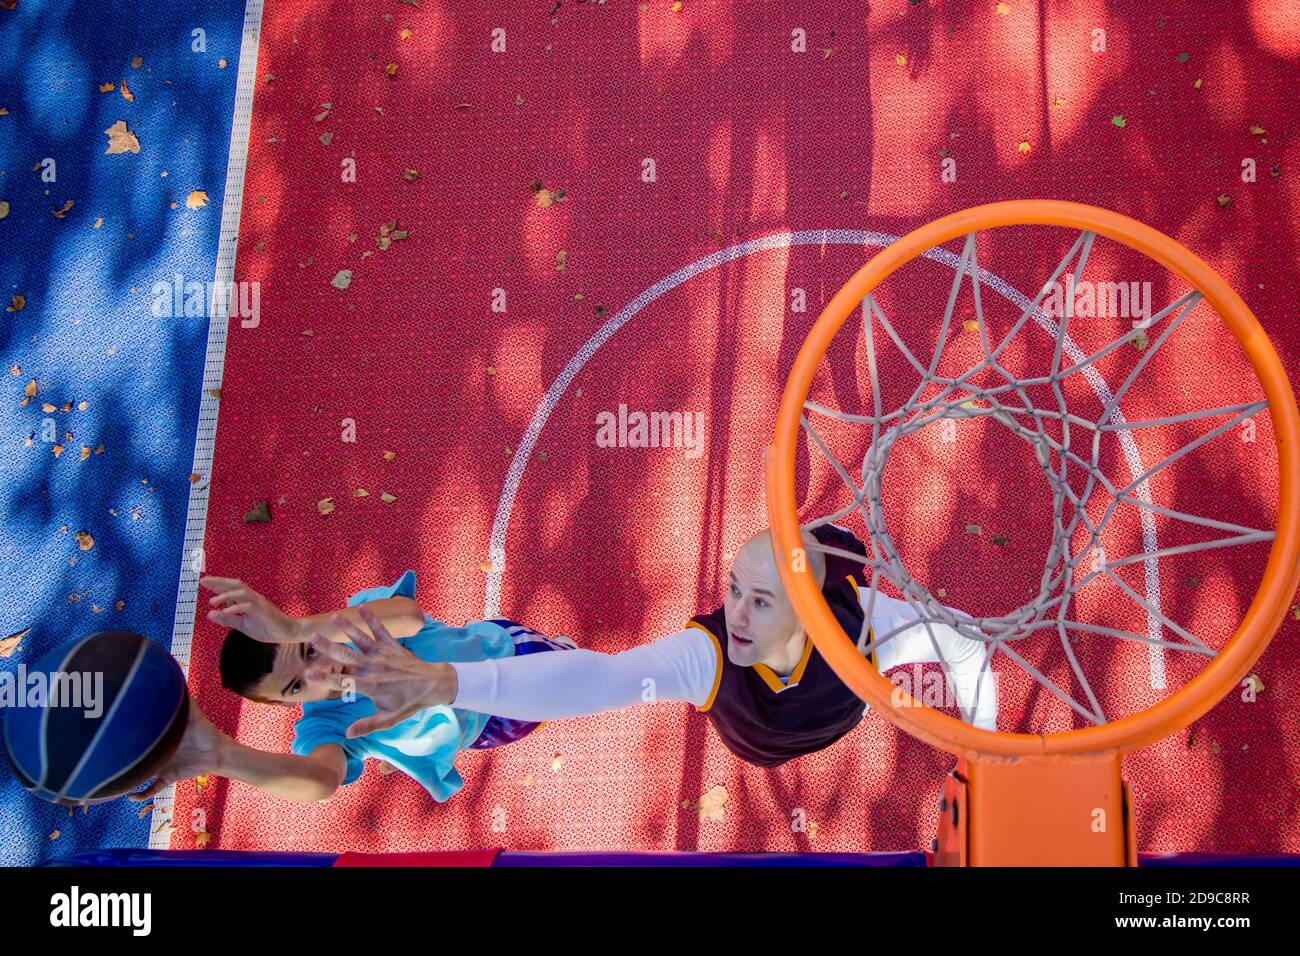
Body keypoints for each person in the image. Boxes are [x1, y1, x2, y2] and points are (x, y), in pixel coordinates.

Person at [305, 523, 998, 768]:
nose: (737, 612)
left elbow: (968, 651)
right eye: (734, 588)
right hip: (757, 744)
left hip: (841, 713)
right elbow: (600, 679)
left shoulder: (871, 621)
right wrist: (454, 685)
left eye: (762, 600)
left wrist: (987, 745)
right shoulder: (709, 656)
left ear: (814, 609)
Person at [130, 571, 573, 804]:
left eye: (306, 651)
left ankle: (574, 657)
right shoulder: (327, 727)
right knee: (554, 704)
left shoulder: (355, 622)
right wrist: (225, 757)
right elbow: (320, 780)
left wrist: (293, 627)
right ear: (282, 704)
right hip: (489, 721)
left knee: (577, 674)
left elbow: (408, 616)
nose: (320, 670)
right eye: (298, 684)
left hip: (508, 654)